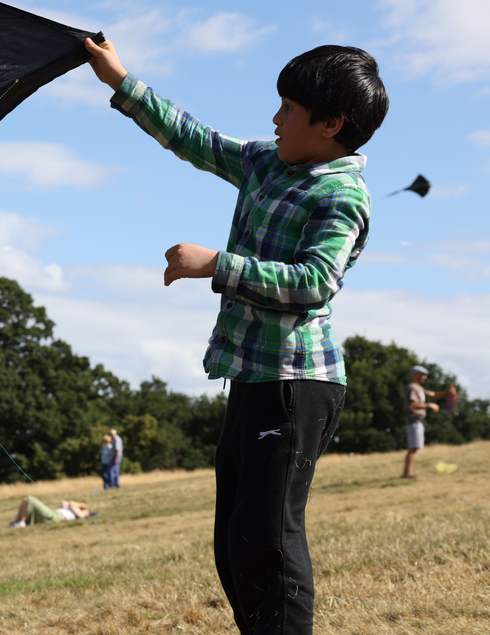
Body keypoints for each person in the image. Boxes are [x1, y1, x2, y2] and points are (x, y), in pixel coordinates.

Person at [86, 38, 387, 635]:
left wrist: (216, 265)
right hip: (252, 376)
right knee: (234, 544)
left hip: (297, 386)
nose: (276, 118)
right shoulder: (268, 163)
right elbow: (196, 140)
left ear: (331, 125)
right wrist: (119, 80)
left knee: (269, 545)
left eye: (290, 109)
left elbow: (313, 284)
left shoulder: (341, 194)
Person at [403, 364, 445, 479]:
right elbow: (414, 405)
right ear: (416, 375)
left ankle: (407, 473)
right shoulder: (413, 388)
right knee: (413, 447)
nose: (425, 377)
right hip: (414, 420)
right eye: (423, 375)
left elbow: (434, 394)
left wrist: (448, 394)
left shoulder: (420, 388)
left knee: (414, 447)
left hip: (418, 421)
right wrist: (429, 405)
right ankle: (407, 474)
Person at [9, 495, 92, 527]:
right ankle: (16, 522)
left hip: (54, 516)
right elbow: (63, 502)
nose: (86, 510)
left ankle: (22, 522)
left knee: (30, 499)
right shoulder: (73, 508)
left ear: (88, 515)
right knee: (25, 500)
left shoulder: (81, 515)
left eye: (87, 511)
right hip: (53, 513)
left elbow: (70, 503)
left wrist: (81, 505)